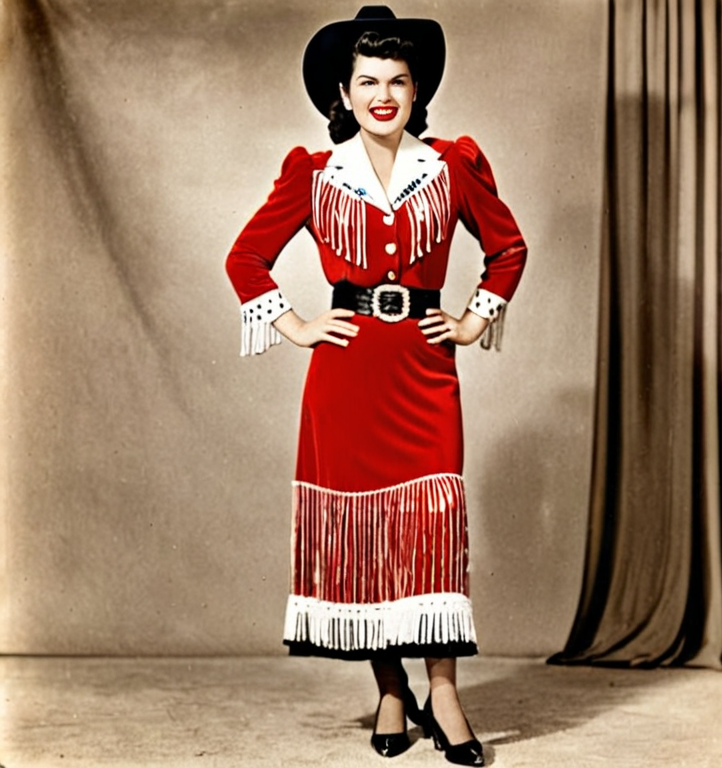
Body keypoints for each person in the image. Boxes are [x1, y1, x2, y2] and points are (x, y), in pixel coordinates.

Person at [225, 7, 527, 765]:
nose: (383, 94)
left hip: (425, 372)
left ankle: (445, 693)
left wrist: (471, 320)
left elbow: (509, 248)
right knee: (365, 538)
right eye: (368, 81)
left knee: (426, 530)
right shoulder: (317, 175)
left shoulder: (453, 166)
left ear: (416, 88)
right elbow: (245, 258)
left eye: (397, 80)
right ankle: (392, 690)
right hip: (346, 375)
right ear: (343, 92)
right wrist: (296, 326)